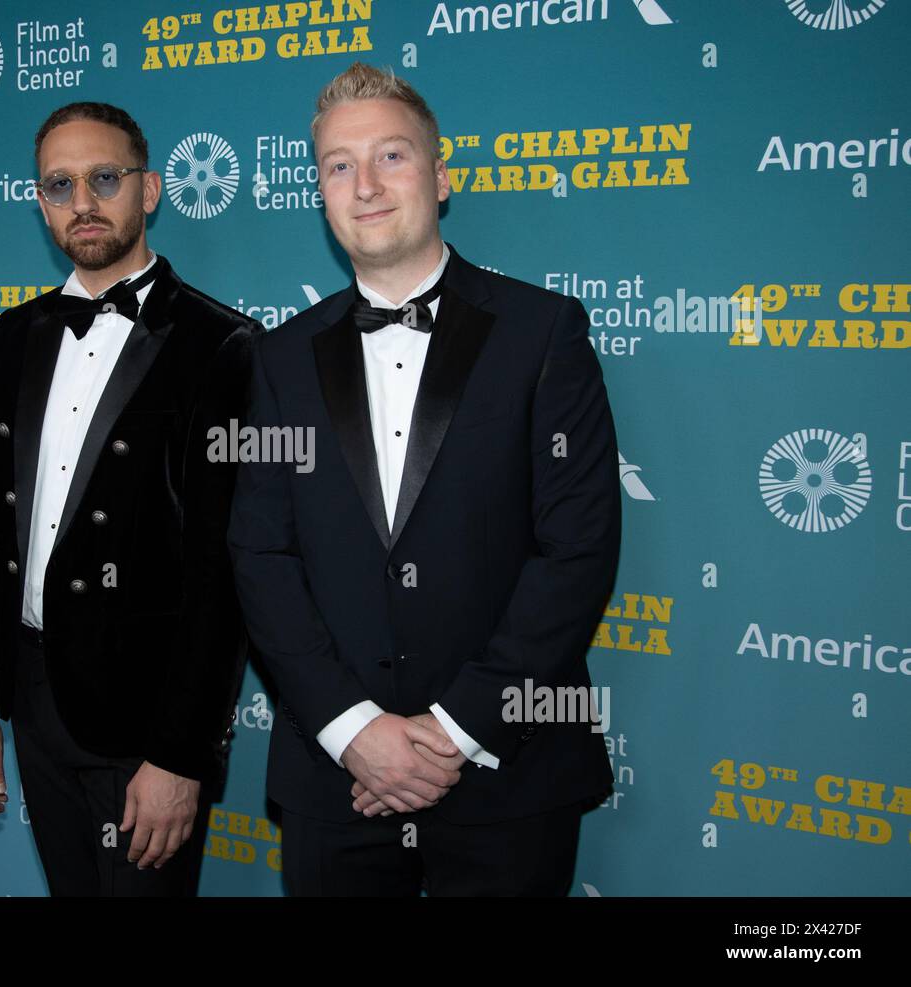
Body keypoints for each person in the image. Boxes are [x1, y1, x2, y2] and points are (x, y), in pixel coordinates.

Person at [226, 63, 620, 896]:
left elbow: (577, 548)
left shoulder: (542, 331)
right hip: (336, 781)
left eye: (391, 157)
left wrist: (450, 733)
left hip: (509, 777)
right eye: (338, 165)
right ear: (321, 192)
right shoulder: (279, 358)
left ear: (442, 178)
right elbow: (261, 554)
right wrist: (354, 729)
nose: (364, 185)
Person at [0, 101, 258, 896]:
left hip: (145, 722)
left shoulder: (220, 345)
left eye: (104, 178)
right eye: (59, 184)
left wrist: (181, 754)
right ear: (40, 202)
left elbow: (222, 573)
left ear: (149, 190)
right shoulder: (14, 334)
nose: (82, 202)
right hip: (36, 696)